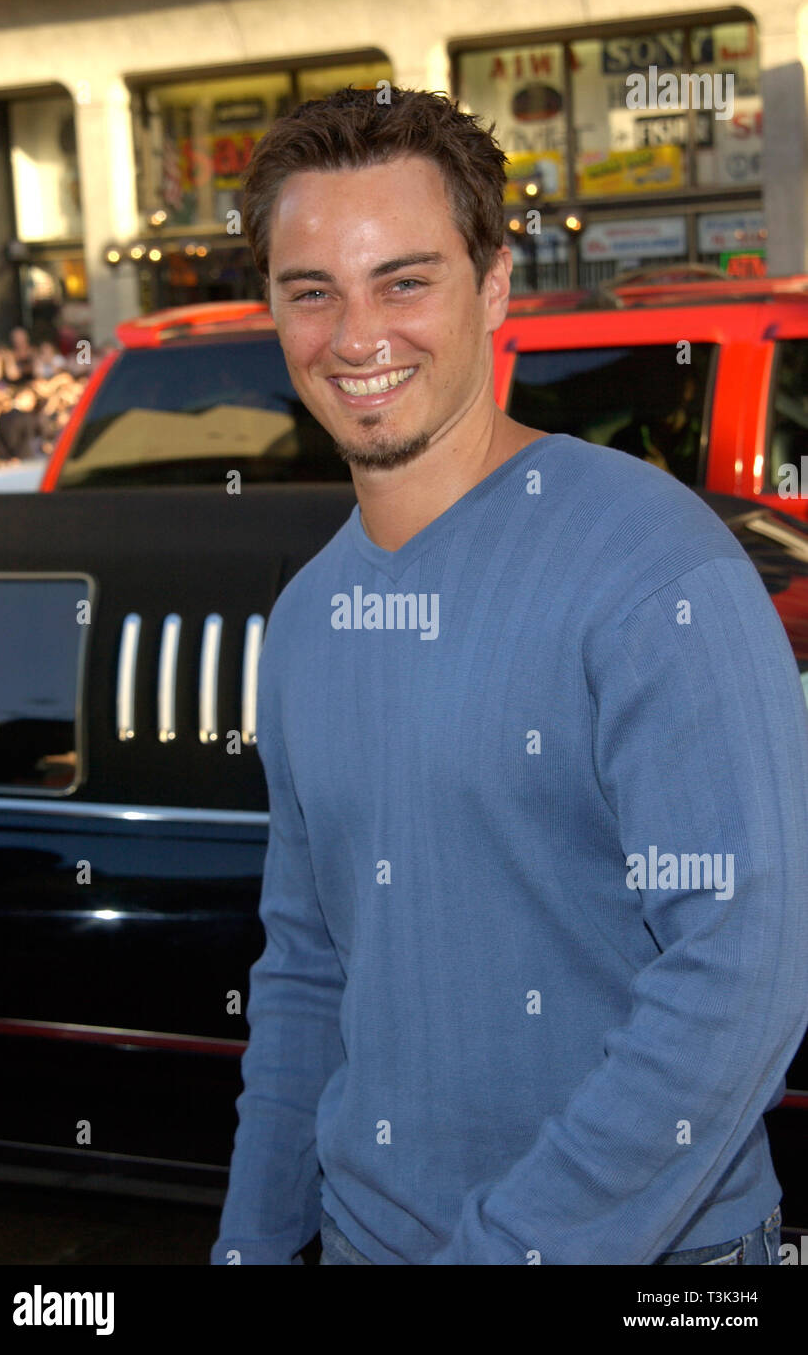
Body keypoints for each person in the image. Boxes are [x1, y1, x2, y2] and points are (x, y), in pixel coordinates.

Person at [210, 86, 808, 1267]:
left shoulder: (652, 567)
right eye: (311, 290)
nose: (357, 334)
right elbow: (304, 974)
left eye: (405, 280)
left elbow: (743, 974)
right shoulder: (309, 620)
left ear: (492, 288)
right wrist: (249, 1242)